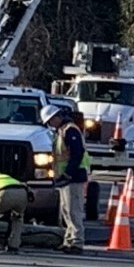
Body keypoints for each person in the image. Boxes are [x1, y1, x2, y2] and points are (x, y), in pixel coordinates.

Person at [43, 103, 90, 253]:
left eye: (50, 121)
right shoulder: (61, 131)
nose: (50, 124)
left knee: (73, 210)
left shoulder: (70, 130)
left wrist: (68, 173)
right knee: (66, 210)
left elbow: (77, 154)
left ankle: (77, 242)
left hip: (73, 176)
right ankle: (69, 240)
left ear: (57, 117)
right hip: (65, 177)